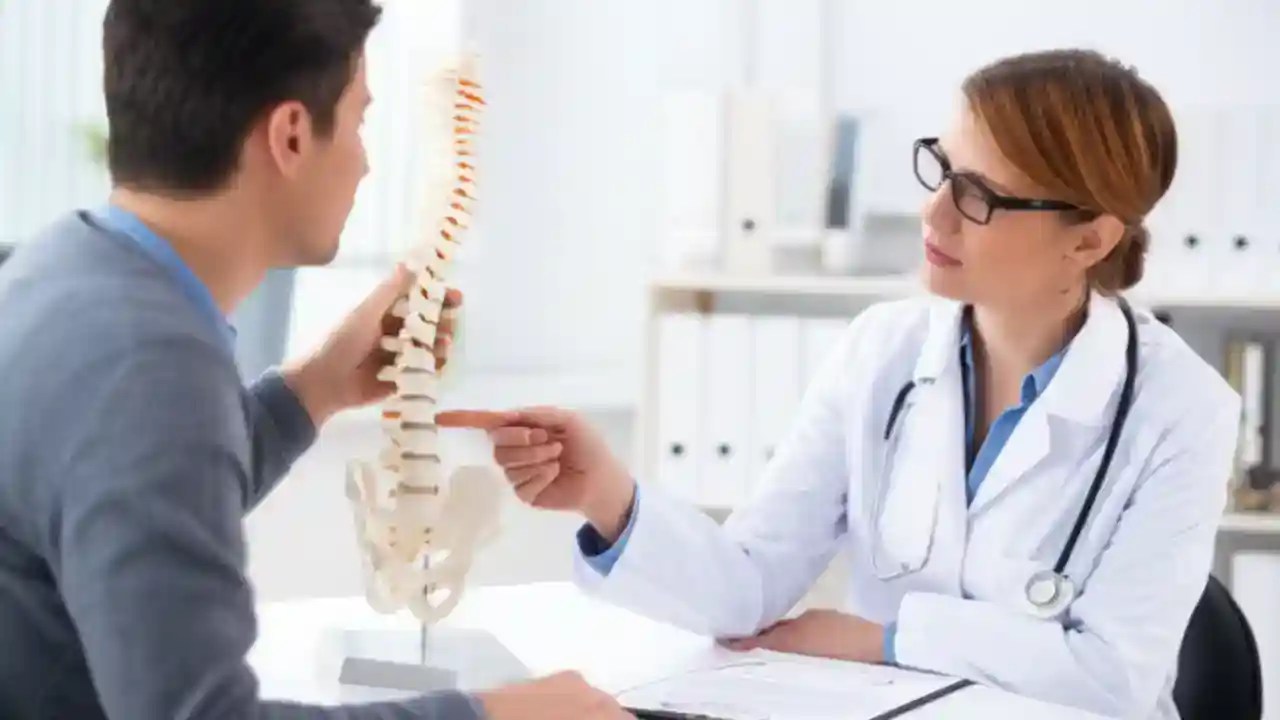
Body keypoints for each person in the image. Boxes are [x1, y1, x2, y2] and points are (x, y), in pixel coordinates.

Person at [440, 49, 1242, 720]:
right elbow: (749, 586)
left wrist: (884, 638)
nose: (934, 215)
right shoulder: (882, 352)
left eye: (979, 196)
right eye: (943, 170)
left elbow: (1114, 678)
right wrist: (606, 496)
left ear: (1090, 239)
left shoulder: (1183, 410)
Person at [0, 1, 629, 718]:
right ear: (292, 135)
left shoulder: (60, 271)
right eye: (359, 122)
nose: (364, 161)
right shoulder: (147, 366)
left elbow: (131, 494)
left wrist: (315, 388)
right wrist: (501, 714)